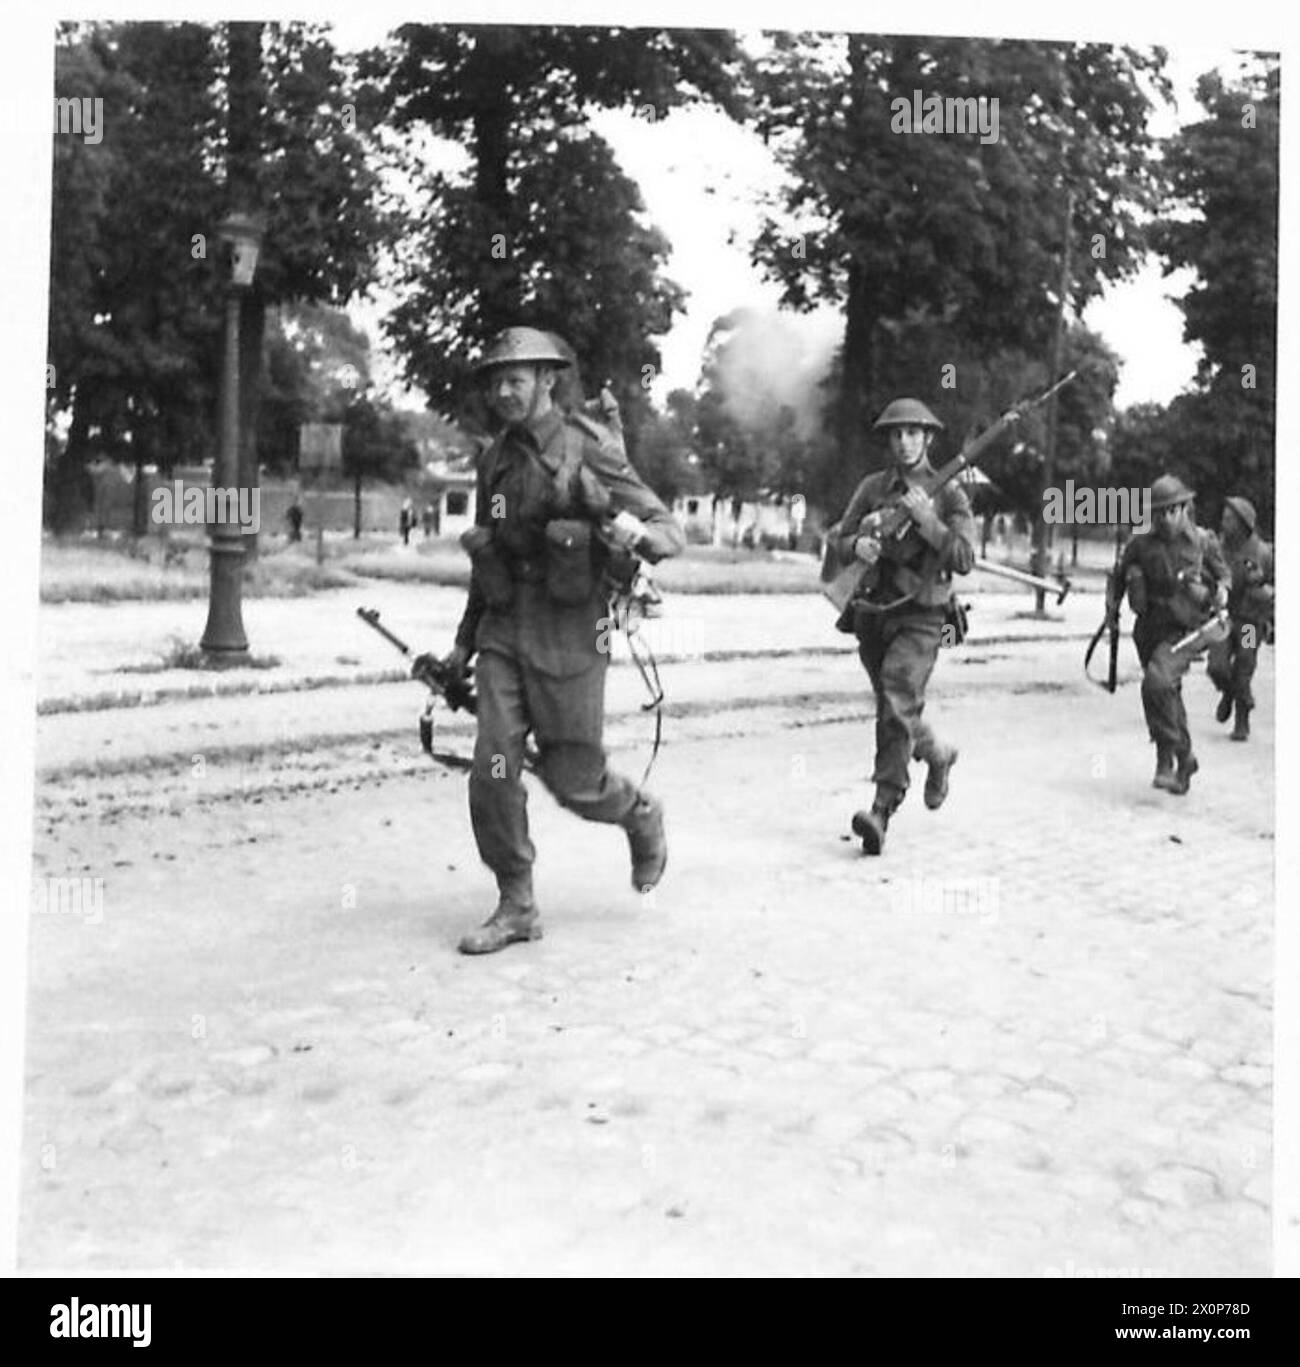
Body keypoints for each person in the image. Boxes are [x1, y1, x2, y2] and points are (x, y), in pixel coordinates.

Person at [428, 326, 684, 954]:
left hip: (573, 633)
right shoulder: (494, 460)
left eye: (516, 377)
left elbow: (667, 533)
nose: (504, 390)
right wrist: (464, 645)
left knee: (575, 781)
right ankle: (516, 903)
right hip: (505, 631)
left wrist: (616, 521)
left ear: (549, 380)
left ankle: (637, 814)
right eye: (495, 380)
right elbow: (486, 559)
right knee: (492, 766)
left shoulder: (589, 448)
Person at [826, 397, 974, 854]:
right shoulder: (873, 488)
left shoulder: (950, 494)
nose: (904, 441)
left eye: (913, 433)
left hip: (923, 615)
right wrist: (859, 544)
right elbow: (837, 536)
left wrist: (928, 521)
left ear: (928, 438)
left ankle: (881, 807)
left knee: (895, 697)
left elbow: (965, 558)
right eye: (896, 433)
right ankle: (937, 753)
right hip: (874, 611)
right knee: (896, 708)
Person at [1105, 474, 1230, 793]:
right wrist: (1112, 609)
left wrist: (1221, 592)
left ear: (1184, 508)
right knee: (1163, 692)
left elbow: (1223, 574)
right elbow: (1119, 577)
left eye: (1170, 511)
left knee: (1156, 682)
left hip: (1186, 629)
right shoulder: (1141, 542)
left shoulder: (1202, 540)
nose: (1163, 519)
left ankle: (1179, 753)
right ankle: (1174, 762)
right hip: (1149, 628)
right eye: (1157, 512)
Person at [1206, 495, 1273, 741]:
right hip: (1224, 618)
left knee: (1244, 666)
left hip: (1249, 623)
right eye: (1224, 517)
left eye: (1229, 518)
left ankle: (1241, 721)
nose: (1224, 522)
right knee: (1217, 666)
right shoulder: (1217, 548)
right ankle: (1231, 693)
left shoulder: (1262, 552)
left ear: (1243, 523)